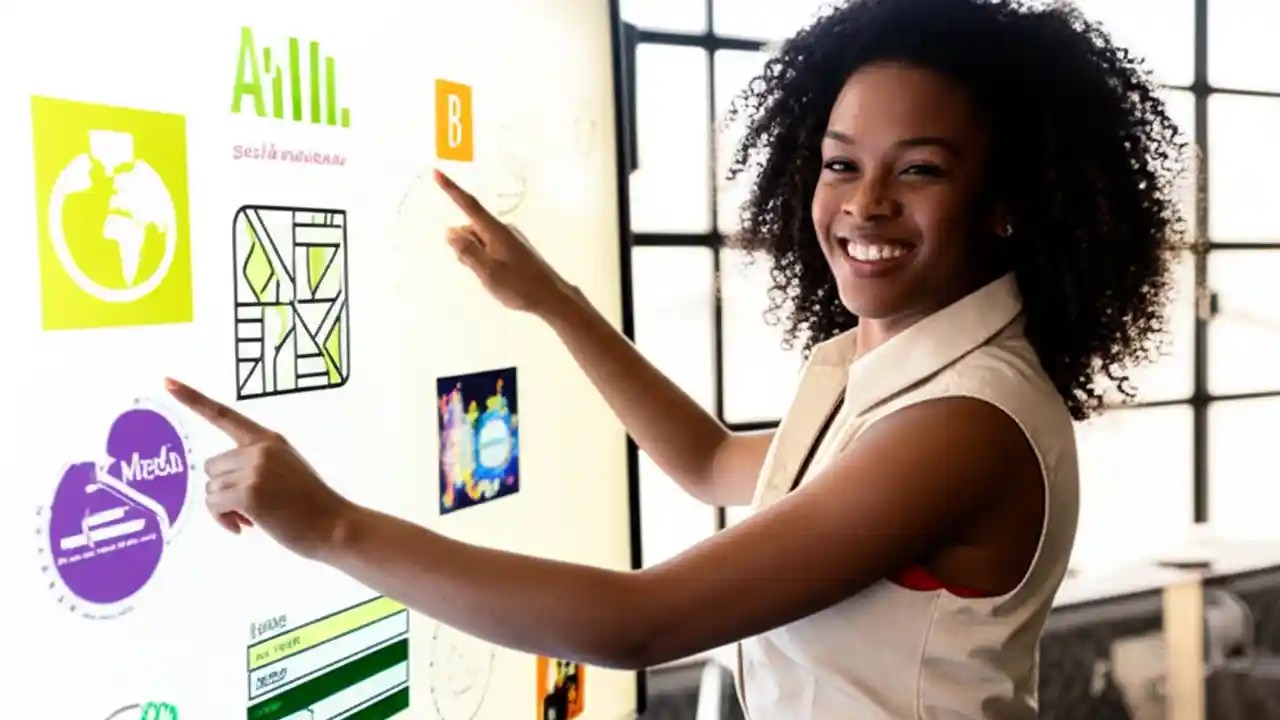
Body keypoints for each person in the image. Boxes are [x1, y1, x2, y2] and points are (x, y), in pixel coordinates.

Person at [164, 0, 1191, 716]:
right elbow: (704, 461)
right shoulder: (880, 378)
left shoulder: (957, 427)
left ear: (1012, 202)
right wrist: (555, 305)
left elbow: (638, 623)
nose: (863, 203)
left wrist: (332, 526)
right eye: (838, 164)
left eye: (917, 171)